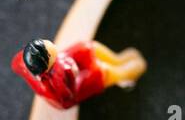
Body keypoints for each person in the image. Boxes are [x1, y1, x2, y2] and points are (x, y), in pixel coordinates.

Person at [11, 38, 146, 110]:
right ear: (47, 63)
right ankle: (126, 72)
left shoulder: (24, 58)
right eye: (51, 52)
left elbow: (16, 64)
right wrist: (70, 71)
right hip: (73, 87)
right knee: (101, 71)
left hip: (63, 63)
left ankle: (117, 59)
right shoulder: (54, 80)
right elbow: (67, 96)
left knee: (87, 47)